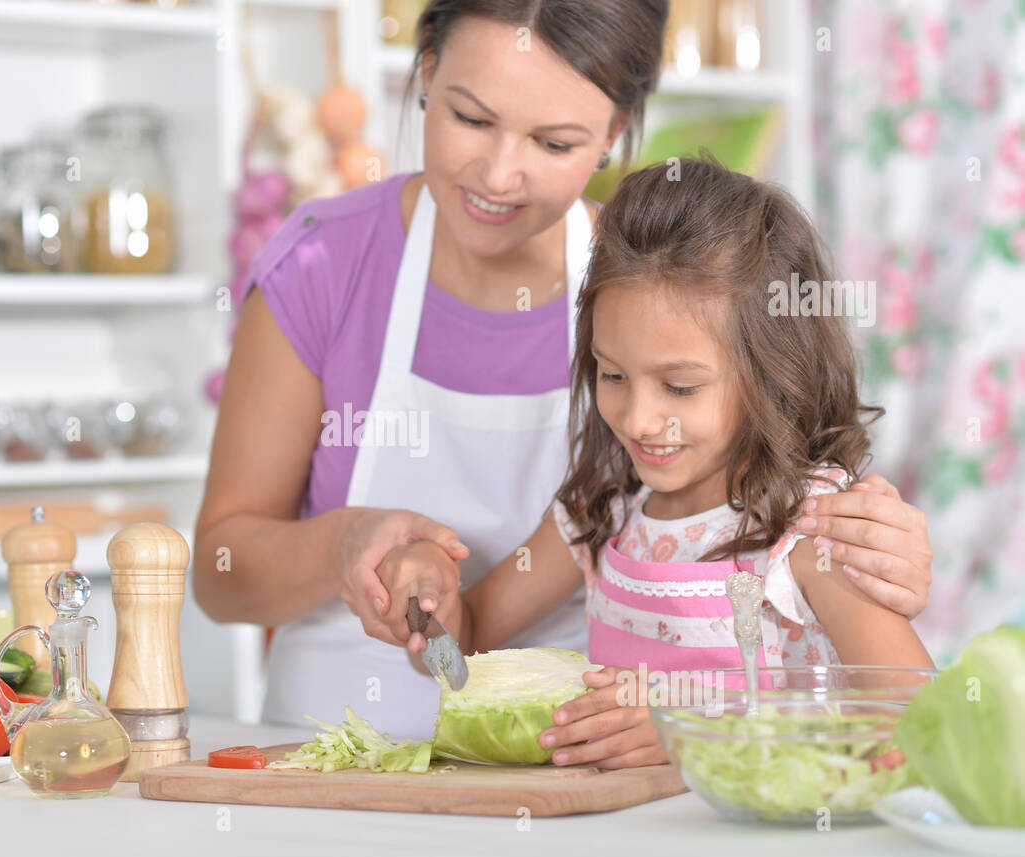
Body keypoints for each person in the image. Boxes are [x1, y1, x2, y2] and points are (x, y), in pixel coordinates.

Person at [193, 1, 935, 739]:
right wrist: (352, 548)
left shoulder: (654, 277)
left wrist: (875, 553)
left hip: (574, 781)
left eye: (553, 142)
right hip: (334, 749)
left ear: (613, 131)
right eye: (471, 119)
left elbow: (906, 711)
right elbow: (224, 577)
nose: (499, 174)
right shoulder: (326, 262)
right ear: (426, 72)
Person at [370, 155, 938, 764]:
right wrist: (426, 601)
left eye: (680, 387)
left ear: (772, 373)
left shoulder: (811, 530)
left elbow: (920, 723)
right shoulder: (601, 516)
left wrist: (696, 732)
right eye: (612, 374)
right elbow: (469, 641)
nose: (639, 419)